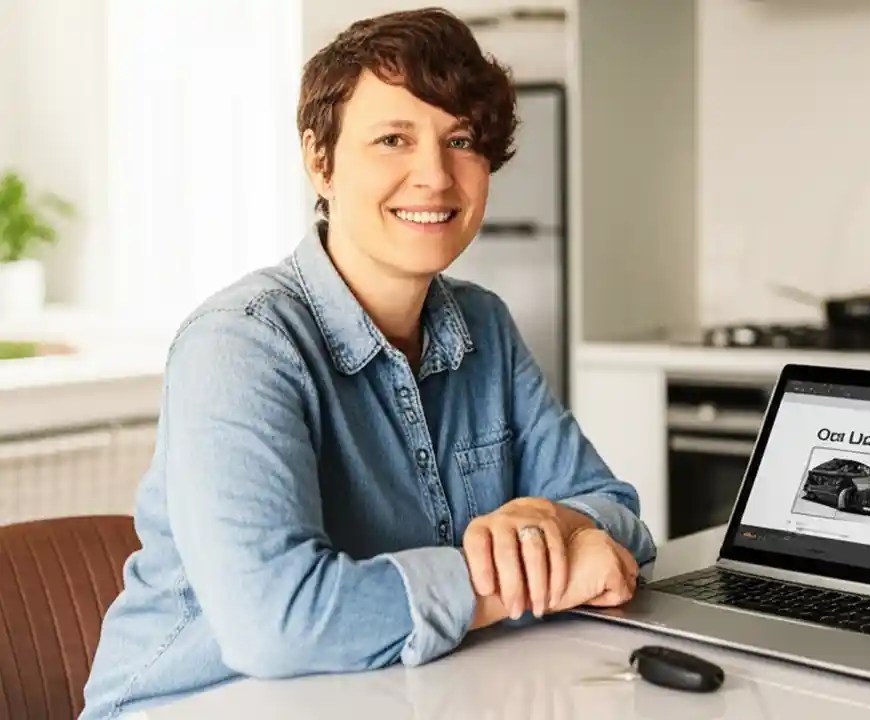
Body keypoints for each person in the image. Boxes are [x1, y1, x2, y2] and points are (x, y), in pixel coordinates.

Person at [80, 8, 654, 719]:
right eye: (393, 140)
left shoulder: (485, 326)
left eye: (461, 140)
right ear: (319, 160)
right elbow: (277, 624)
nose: (435, 176)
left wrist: (546, 517)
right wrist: (513, 580)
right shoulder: (240, 345)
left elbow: (617, 513)